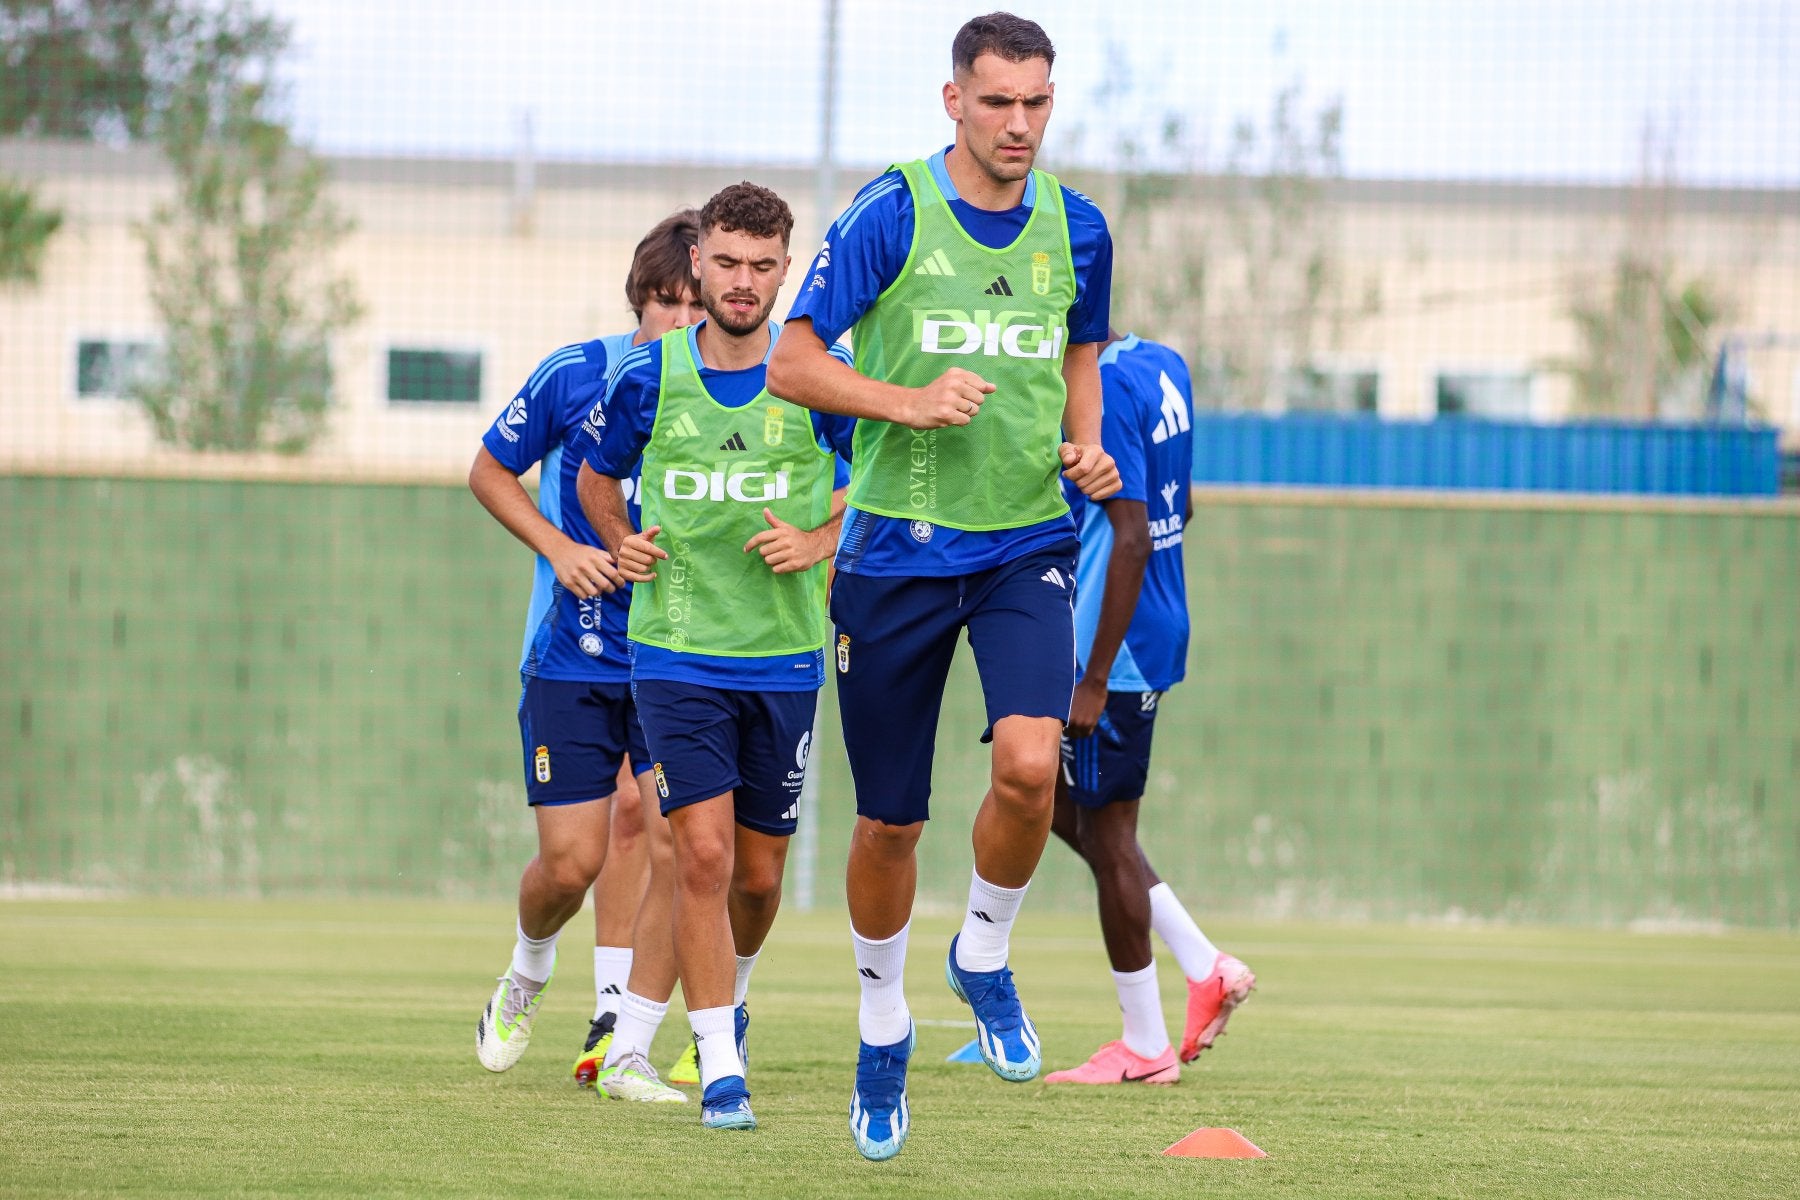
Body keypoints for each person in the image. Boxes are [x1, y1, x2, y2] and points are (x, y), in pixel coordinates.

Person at [765, 11, 1119, 1161]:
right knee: (889, 820)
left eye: (1038, 102)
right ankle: (882, 1022)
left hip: (1025, 545)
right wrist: (909, 402)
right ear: (954, 100)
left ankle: (984, 949)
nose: (1020, 124)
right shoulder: (892, 212)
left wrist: (1085, 447)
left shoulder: (1081, 229)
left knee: (1030, 764)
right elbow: (793, 360)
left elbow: (1079, 355)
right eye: (999, 101)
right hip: (894, 557)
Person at [578, 181, 854, 1132]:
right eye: (727, 262)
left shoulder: (818, 376)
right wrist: (621, 539)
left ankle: (675, 1023)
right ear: (698, 263)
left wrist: (818, 542)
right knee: (699, 851)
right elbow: (594, 478)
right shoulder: (651, 377)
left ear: (787, 269)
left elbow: (889, 478)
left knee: (757, 877)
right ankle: (723, 1067)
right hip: (675, 652)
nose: (744, 282)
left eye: (763, 266)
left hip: (782, 659)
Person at [470, 211, 704, 1078]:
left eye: (698, 307)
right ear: (639, 299)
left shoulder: (730, 390)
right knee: (571, 862)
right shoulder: (580, 374)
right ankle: (526, 972)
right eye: (666, 304)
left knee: (661, 825)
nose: (682, 323)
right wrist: (562, 549)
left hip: (678, 656)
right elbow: (489, 470)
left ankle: (618, 1020)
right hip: (570, 655)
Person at [1042, 331, 1255, 1086]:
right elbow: (1181, 505)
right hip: (1151, 625)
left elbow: (1130, 537)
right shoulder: (1159, 361)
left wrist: (1093, 676)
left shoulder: (1100, 387)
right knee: (1055, 807)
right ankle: (1203, 964)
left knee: (1108, 837)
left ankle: (1145, 1044)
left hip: (1115, 648)